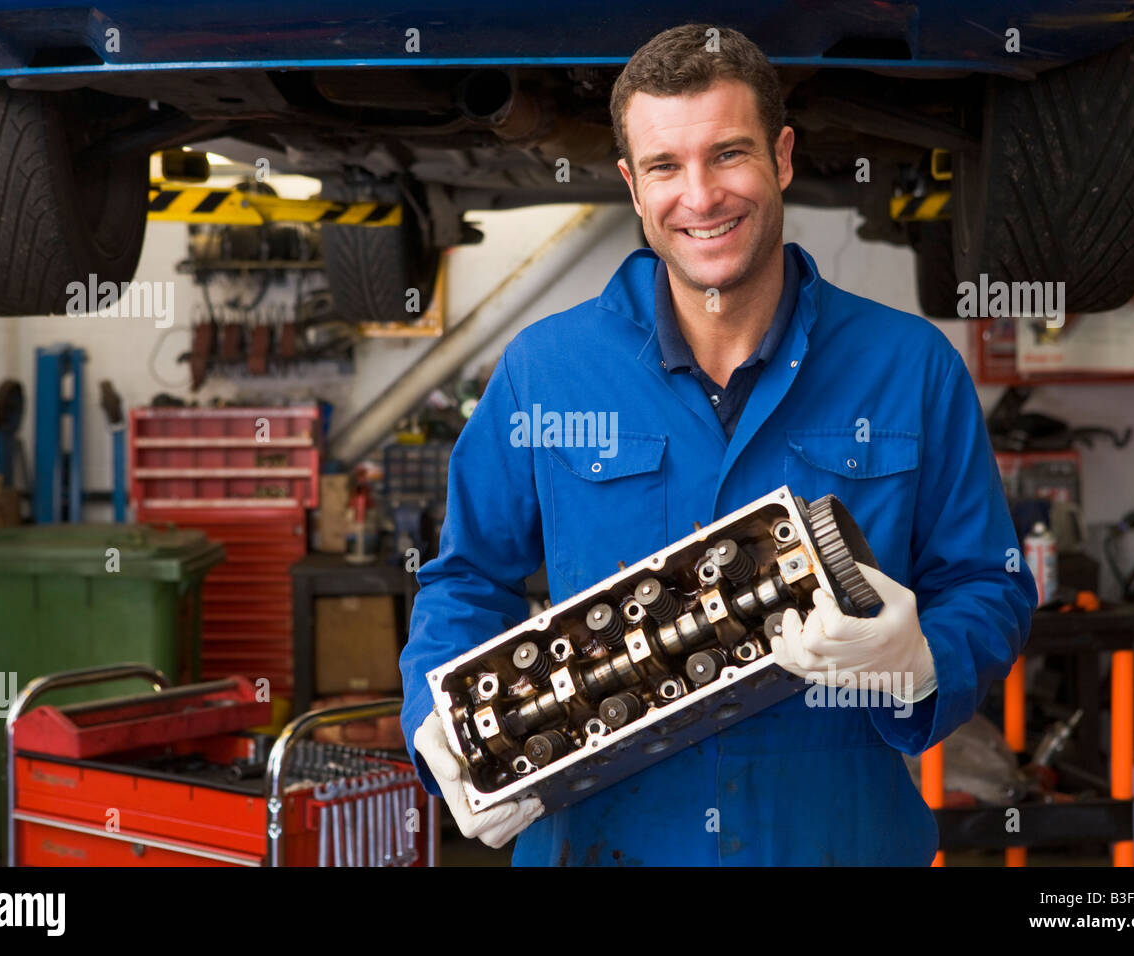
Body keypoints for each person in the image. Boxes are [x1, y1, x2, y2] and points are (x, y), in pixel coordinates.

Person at [399, 23, 1038, 866]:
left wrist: (924, 659)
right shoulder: (546, 372)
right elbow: (467, 575)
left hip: (832, 840)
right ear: (632, 184)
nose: (699, 198)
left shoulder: (909, 366)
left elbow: (988, 581)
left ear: (781, 157)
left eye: (728, 155)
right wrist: (434, 716)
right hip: (605, 843)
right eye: (665, 166)